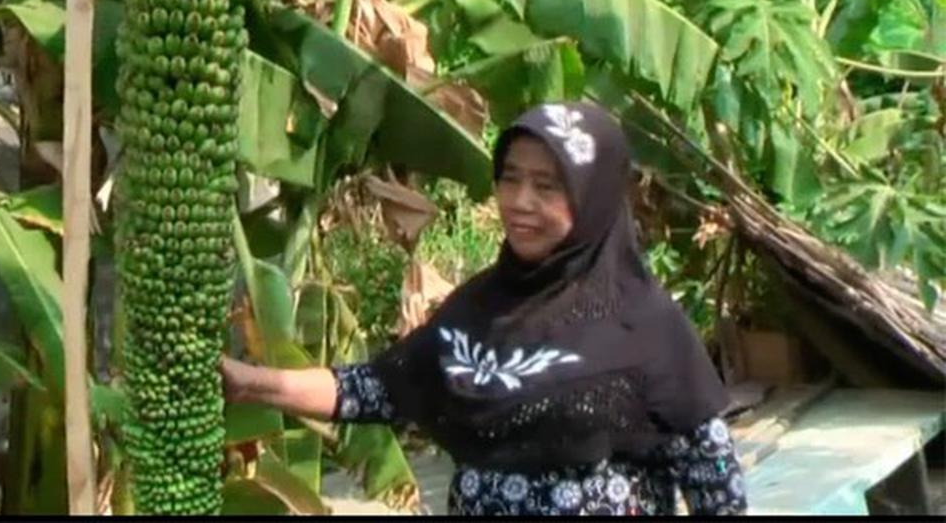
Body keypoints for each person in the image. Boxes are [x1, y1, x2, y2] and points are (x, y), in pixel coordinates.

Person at [220, 102, 748, 516]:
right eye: (510, 178)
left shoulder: (644, 324)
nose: (519, 202)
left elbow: (714, 481)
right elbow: (376, 387)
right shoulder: (478, 309)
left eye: (547, 186)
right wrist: (248, 383)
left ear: (595, 198)